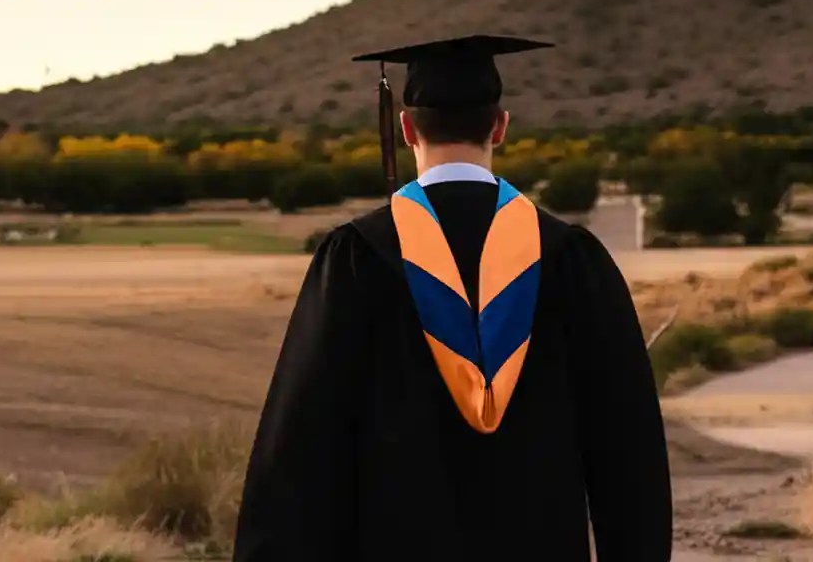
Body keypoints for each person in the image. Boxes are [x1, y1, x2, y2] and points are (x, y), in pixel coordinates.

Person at [233, 35, 672, 562]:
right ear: (501, 126)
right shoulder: (571, 260)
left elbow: (299, 449)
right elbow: (628, 450)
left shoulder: (357, 258)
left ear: (406, 129)